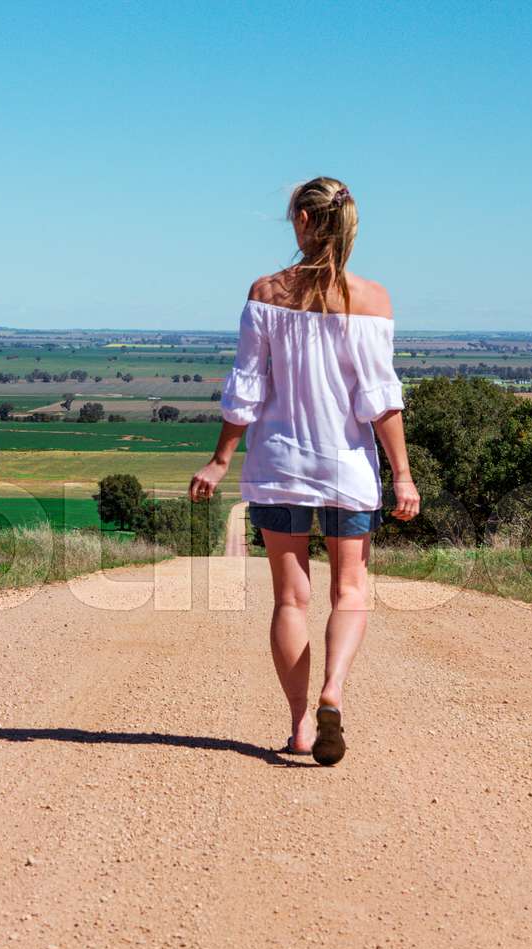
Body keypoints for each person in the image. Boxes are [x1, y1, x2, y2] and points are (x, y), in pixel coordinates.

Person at [189, 176, 419, 767]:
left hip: (277, 465)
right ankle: (333, 694)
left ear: (301, 222)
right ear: (350, 227)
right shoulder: (373, 300)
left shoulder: (266, 292)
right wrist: (402, 475)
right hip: (348, 472)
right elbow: (381, 400)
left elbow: (246, 389)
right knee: (350, 591)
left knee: (291, 599)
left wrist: (219, 461)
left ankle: (299, 728)